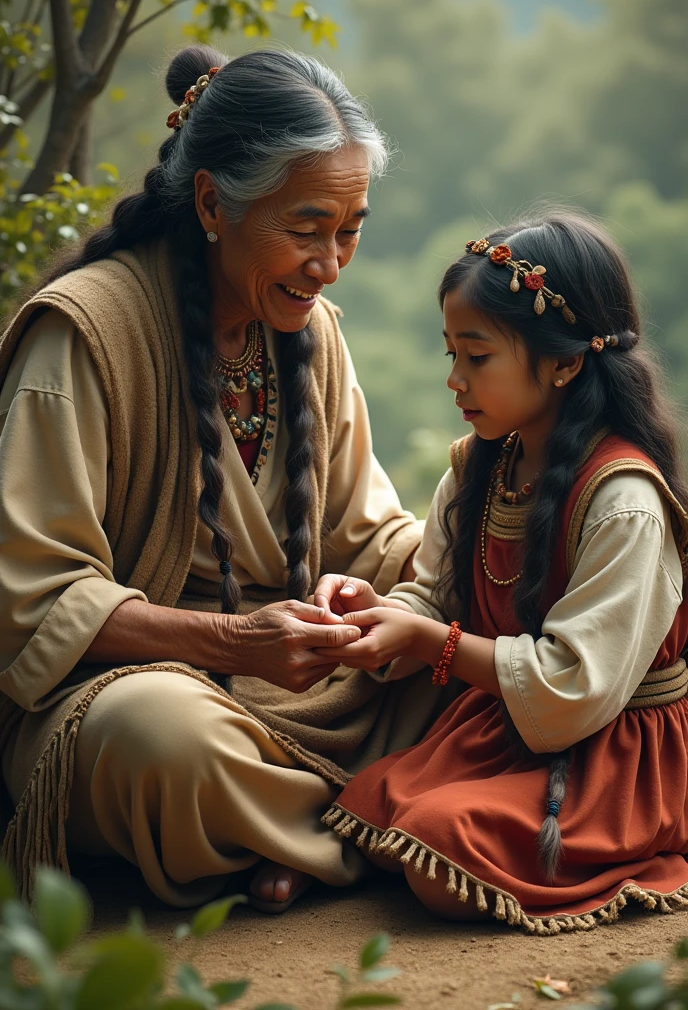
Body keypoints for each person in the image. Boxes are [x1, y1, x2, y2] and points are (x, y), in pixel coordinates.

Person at [0, 46, 460, 911]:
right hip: (126, 693)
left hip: (301, 691)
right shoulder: (82, 336)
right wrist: (232, 643)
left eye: (351, 229)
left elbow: (370, 537)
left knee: (466, 666)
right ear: (213, 201)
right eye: (306, 227)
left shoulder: (310, 332)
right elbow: (29, 602)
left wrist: (421, 597)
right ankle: (383, 825)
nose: (329, 263)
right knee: (168, 746)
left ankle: (294, 839)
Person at [314, 211, 688, 934]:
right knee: (377, 796)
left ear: (564, 362)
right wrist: (379, 612)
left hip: (614, 755)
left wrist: (428, 644)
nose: (455, 380)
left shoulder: (624, 503)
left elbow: (574, 690)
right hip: (503, 727)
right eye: (450, 353)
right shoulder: (482, 463)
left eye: (477, 357)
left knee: (438, 850)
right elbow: (433, 591)